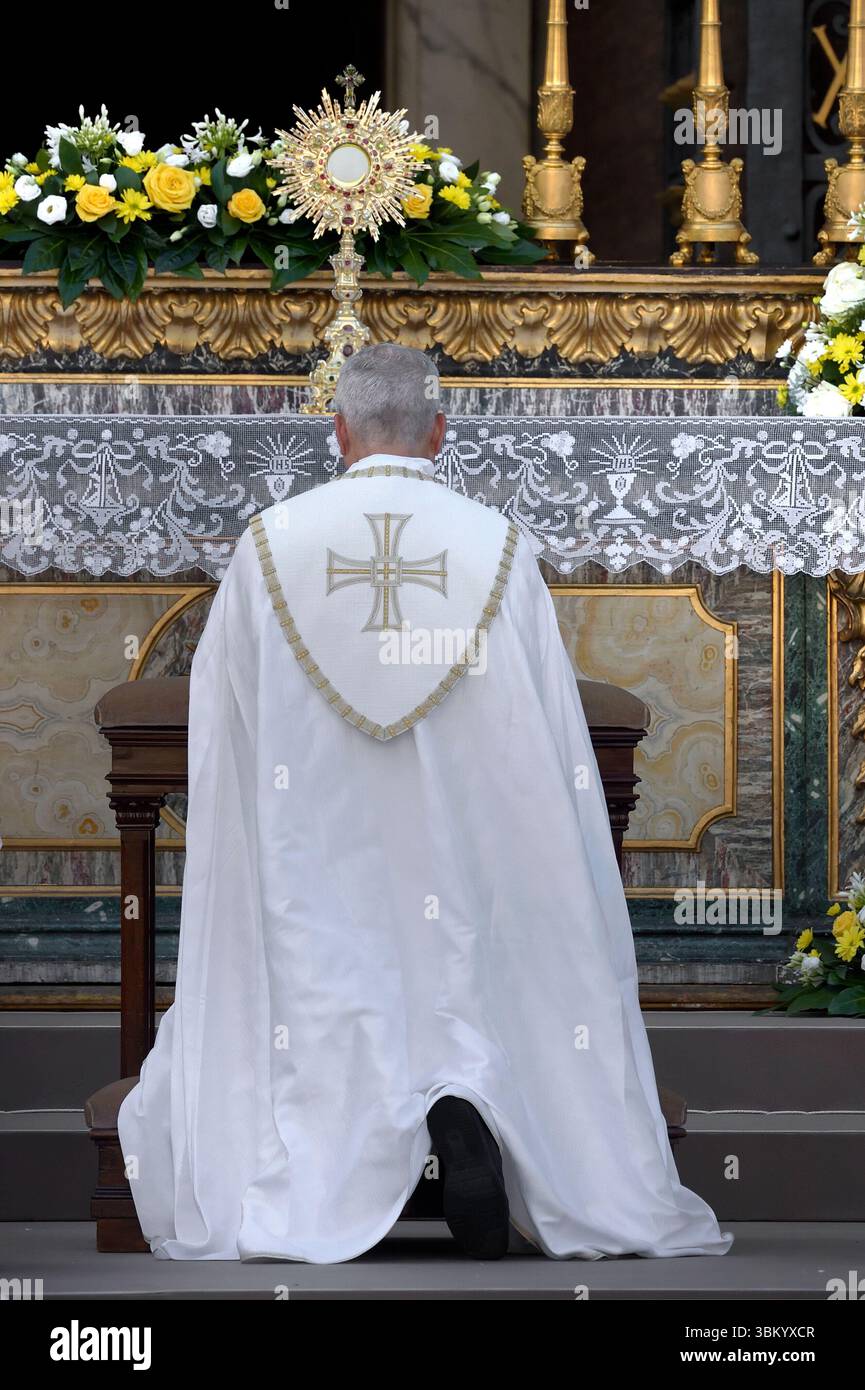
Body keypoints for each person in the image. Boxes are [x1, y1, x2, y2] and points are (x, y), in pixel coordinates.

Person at [118, 343, 733, 1263]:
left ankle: (339, 1158)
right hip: (463, 845)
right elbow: (546, 726)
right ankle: (467, 1107)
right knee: (461, 957)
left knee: (333, 964)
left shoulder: (270, 546)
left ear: (338, 434)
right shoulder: (499, 547)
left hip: (318, 842)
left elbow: (227, 715)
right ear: (440, 432)